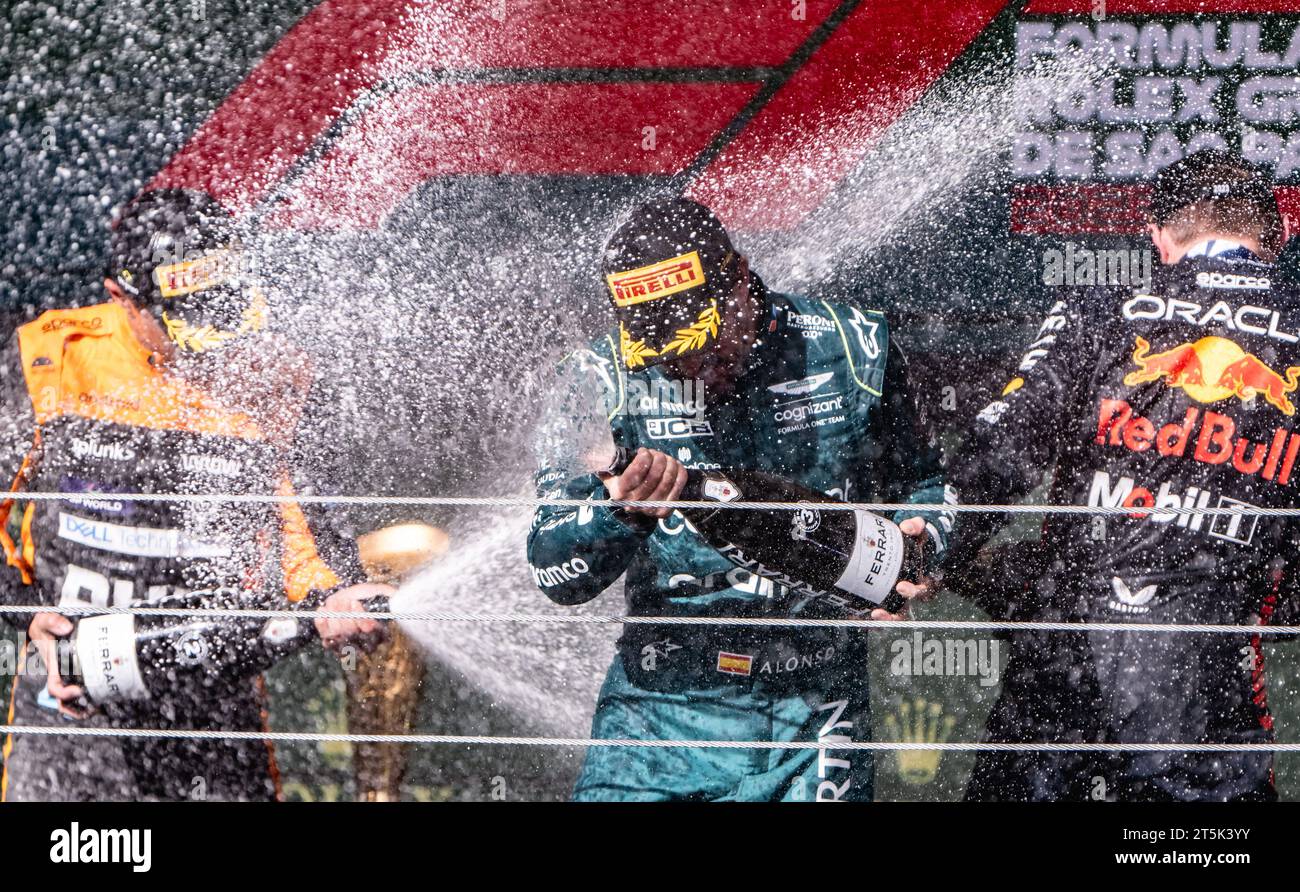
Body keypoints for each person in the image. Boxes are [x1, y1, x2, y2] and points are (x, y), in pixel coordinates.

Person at [527, 198, 952, 801]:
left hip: (815, 705)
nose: (694, 367)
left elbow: (931, 482)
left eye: (706, 346)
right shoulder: (598, 378)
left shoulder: (856, 346)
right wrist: (618, 517)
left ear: (740, 281)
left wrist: (925, 538)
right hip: (657, 710)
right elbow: (552, 570)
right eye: (670, 360)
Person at [0, 188, 388, 801]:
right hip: (70, 682)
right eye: (187, 318)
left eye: (221, 307)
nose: (213, 335)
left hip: (212, 687)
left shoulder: (277, 374)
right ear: (121, 299)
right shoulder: (49, 356)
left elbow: (307, 533)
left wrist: (332, 597)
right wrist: (25, 615)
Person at [945, 149, 1298, 801]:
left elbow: (1000, 454)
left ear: (1159, 238)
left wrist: (939, 551)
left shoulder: (1104, 304)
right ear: (1278, 236)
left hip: (1061, 671)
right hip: (1204, 699)